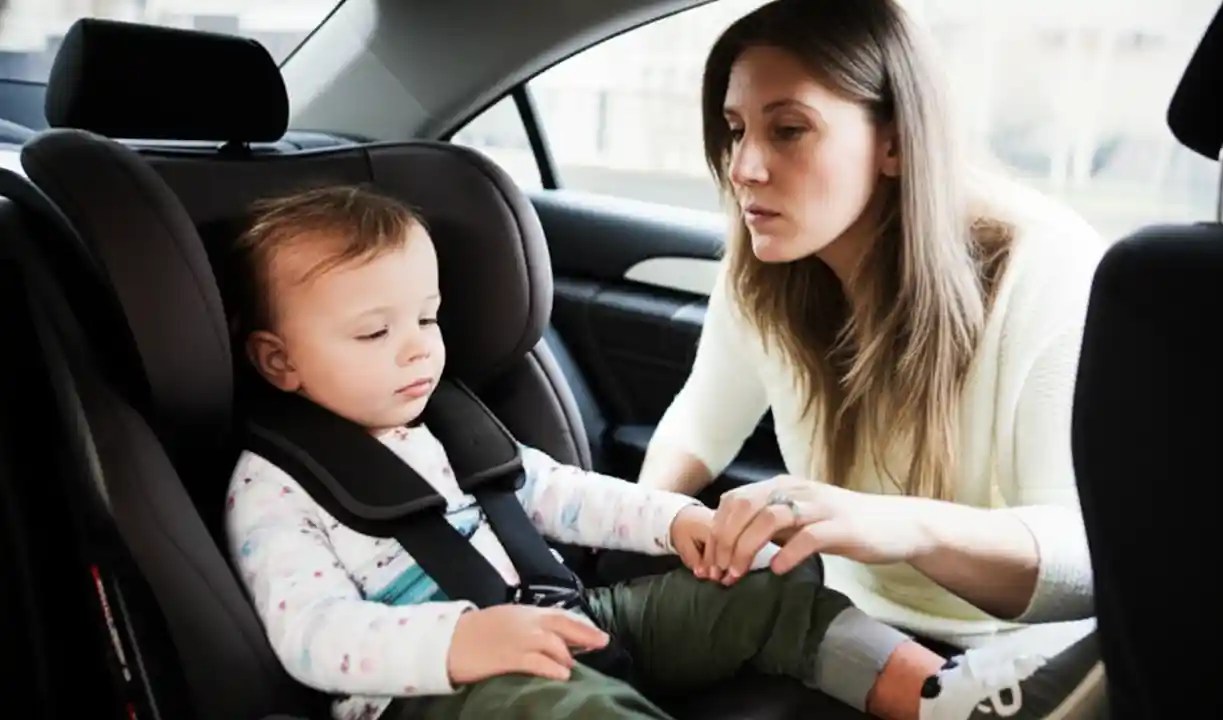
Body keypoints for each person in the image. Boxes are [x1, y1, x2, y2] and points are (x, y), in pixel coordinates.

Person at [221, 184, 1076, 720]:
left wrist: (678, 525)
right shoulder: (275, 487)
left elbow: (558, 496)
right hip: (443, 692)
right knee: (567, 709)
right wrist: (461, 643)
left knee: (768, 592)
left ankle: (939, 698)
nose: (417, 350)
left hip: (566, 617)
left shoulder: (444, 420)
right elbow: (312, 634)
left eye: (428, 318)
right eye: (375, 331)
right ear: (278, 360)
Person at [638, 0, 1108, 717]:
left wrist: (901, 524)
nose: (744, 168)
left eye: (788, 130)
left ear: (894, 141)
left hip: (1021, 653)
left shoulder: (1045, 266)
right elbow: (698, 427)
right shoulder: (764, 267)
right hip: (842, 618)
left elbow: (1085, 562)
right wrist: (643, 528)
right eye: (735, 132)